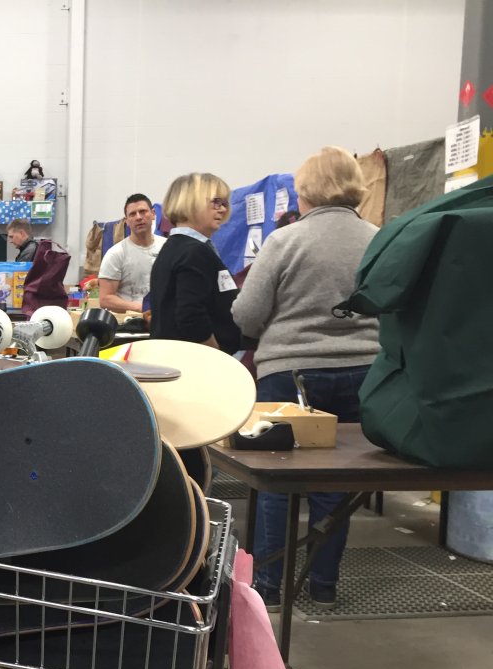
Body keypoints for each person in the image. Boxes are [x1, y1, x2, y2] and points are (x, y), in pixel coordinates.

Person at [232, 147, 379, 610]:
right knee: (335, 483)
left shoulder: (285, 241)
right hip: (362, 371)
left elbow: (247, 315)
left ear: (305, 189)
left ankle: (271, 589)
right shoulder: (378, 239)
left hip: (290, 375)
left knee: (276, 483)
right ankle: (323, 587)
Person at [148, 172, 241, 353]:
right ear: (191, 202)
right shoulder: (194, 252)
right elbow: (191, 316)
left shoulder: (175, 248)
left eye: (224, 203)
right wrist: (215, 355)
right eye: (216, 202)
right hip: (196, 362)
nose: (222, 209)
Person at [97, 193, 166, 313]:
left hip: (163, 321)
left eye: (143, 211)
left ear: (153, 214)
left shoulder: (167, 248)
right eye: (132, 214)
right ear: (127, 221)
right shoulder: (115, 254)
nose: (138, 217)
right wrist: (142, 308)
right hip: (128, 325)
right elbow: (105, 299)